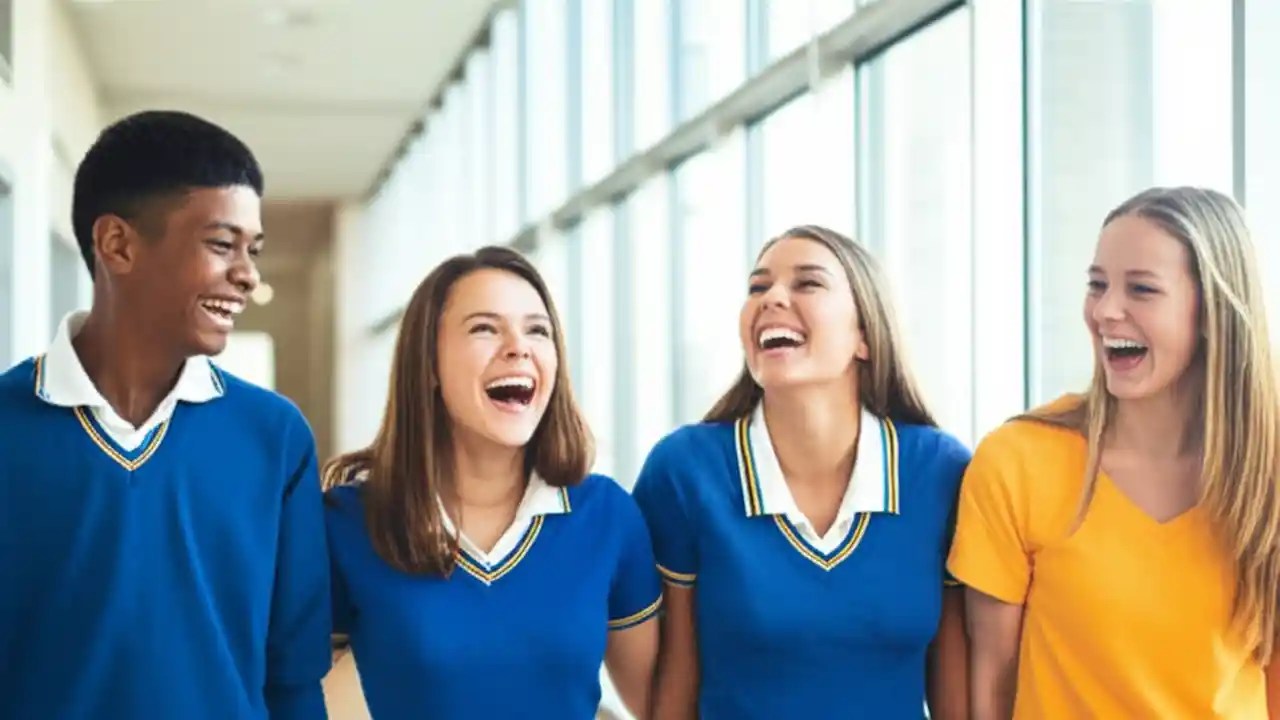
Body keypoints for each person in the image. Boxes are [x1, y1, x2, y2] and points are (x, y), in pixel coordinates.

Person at [0, 111, 331, 719]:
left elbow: (293, 679)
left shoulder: (275, 439)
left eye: (252, 249)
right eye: (221, 244)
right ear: (118, 244)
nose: (248, 275)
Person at [949, 186, 1280, 718]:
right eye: (1097, 285)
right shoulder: (1018, 461)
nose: (1105, 311)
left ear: (1211, 311)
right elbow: (992, 681)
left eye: (1142, 289)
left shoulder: (1269, 472)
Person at [632, 224, 970, 719]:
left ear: (865, 337)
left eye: (807, 283)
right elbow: (676, 679)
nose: (772, 298)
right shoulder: (685, 471)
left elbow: (953, 688)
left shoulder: (940, 471)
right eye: (758, 287)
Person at [323, 246, 661, 719]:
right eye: (485, 328)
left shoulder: (607, 517)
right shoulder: (349, 521)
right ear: (429, 364)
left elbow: (662, 707)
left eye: (537, 330)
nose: (518, 346)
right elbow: (282, 688)